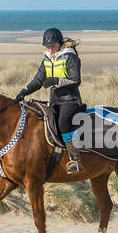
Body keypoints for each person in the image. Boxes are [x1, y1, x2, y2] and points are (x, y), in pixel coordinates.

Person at [15, 27, 85, 172]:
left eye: (52, 47)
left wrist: (55, 81)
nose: (50, 50)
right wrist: (24, 91)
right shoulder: (46, 59)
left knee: (63, 123)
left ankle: (75, 159)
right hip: (54, 101)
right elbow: (38, 80)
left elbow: (76, 80)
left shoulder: (70, 57)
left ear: (60, 43)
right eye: (48, 47)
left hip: (70, 100)